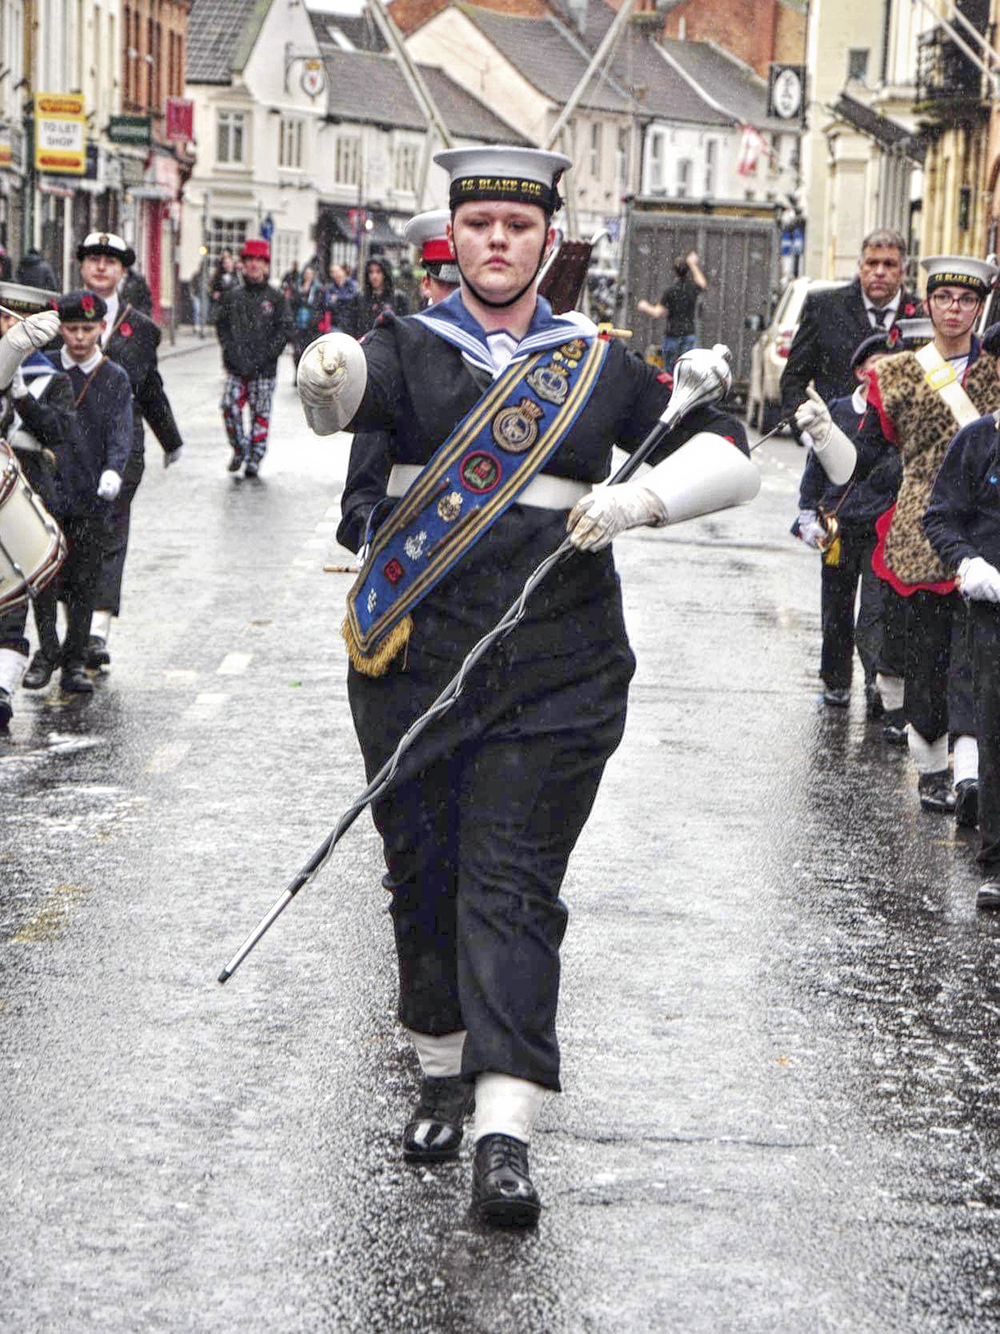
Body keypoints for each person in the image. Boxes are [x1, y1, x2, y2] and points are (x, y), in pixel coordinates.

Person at [297, 145, 753, 1227]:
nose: (497, 241)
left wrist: (644, 501)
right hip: (415, 664)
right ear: (453, 236)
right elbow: (339, 401)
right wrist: (326, 370)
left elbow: (730, 452)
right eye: (479, 225)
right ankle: (439, 1070)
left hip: (559, 668)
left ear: (549, 240)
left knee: (511, 883)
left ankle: (505, 1133)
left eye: (518, 226)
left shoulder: (598, 364)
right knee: (425, 872)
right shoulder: (406, 346)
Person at [865, 255, 1000, 821]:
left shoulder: (995, 372)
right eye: (944, 298)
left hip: (987, 533)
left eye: (966, 301)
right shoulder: (896, 373)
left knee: (976, 664)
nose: (954, 310)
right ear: (928, 302)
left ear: (979, 309)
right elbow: (872, 454)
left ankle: (973, 774)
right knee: (928, 660)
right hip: (923, 530)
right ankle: (931, 769)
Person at [76, 230, 184, 671]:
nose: (102, 267)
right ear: (82, 266)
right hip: (68, 447)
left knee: (110, 534)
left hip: (122, 449)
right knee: (69, 535)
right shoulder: (56, 317)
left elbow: (150, 387)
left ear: (122, 271)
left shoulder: (139, 328)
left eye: (111, 261)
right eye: (94, 259)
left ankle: (97, 630)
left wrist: (169, 439)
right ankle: (71, 627)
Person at [924, 323, 1000, 908]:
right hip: (993, 608)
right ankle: (997, 861)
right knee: (995, 729)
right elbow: (941, 515)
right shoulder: (979, 440)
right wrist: (968, 561)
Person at [24, 292, 132, 694]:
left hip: (90, 493)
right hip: (47, 489)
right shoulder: (45, 369)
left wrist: (114, 469)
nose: (80, 337)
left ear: (102, 328)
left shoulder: (113, 376)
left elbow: (121, 429)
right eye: (72, 329)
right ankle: (47, 650)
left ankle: (74, 660)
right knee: (44, 579)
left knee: (84, 582)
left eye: (88, 328)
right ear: (61, 331)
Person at [336, 210, 461, 556]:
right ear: (426, 284)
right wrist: (374, 535)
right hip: (414, 550)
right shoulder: (403, 355)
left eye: (464, 284)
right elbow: (363, 485)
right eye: (446, 283)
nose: (456, 296)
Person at [793, 331, 901, 712]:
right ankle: (836, 681)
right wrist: (807, 511)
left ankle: (877, 686)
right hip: (839, 527)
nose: (884, 372)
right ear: (860, 372)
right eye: (876, 365)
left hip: (881, 528)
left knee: (875, 612)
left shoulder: (901, 412)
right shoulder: (837, 410)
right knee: (836, 610)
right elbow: (816, 466)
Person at [0, 296, 67, 727]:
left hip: (25, 494)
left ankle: (4, 687)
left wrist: (22, 392)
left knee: (18, 596)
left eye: (13, 320)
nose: (8, 328)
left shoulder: (48, 376)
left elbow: (55, 430)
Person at [781, 229, 920, 427]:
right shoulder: (825, 308)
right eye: (872, 263)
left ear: (903, 271)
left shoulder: (921, 314)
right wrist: (807, 432)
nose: (879, 272)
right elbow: (794, 380)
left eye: (889, 264)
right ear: (860, 266)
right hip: (835, 433)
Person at [215, 237, 294, 477]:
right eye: (249, 260)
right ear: (243, 264)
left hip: (264, 368)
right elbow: (222, 326)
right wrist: (229, 352)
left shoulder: (276, 298)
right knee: (229, 406)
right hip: (237, 366)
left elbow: (285, 329)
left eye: (259, 260)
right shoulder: (233, 296)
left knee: (260, 414)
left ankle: (255, 457)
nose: (254, 265)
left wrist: (268, 355)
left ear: (266, 265)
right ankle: (240, 448)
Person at [636, 251, 707, 376]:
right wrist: (693, 265)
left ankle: (671, 386)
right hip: (688, 334)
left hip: (672, 335)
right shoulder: (692, 288)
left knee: (670, 371)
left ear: (675, 271)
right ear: (688, 270)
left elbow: (657, 312)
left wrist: (645, 306)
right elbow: (702, 283)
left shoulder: (671, 291)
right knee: (685, 371)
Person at [290, 264, 324, 384]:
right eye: (306, 274)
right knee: (297, 351)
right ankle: (298, 373)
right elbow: (292, 304)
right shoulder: (297, 287)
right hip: (299, 322)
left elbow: (320, 307)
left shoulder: (317, 289)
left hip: (311, 325)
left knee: (309, 351)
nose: (308, 276)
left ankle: (306, 375)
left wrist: (315, 320)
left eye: (310, 274)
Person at [359, 257, 407, 335]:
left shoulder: (399, 298)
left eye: (378, 272)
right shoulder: (361, 298)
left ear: (385, 274)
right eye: (371, 272)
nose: (374, 276)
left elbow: (403, 326)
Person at [325, 263, 360, 338]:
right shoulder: (331, 288)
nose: (336, 274)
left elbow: (354, 298)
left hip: (351, 322)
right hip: (336, 322)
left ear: (343, 271)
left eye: (337, 271)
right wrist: (344, 300)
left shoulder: (352, 284)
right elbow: (328, 304)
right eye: (333, 272)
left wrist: (338, 298)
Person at [210, 250, 240, 322]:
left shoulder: (238, 274)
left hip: (236, 306)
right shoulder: (219, 276)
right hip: (224, 307)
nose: (228, 265)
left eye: (229, 263)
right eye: (225, 263)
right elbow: (215, 290)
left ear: (232, 263)